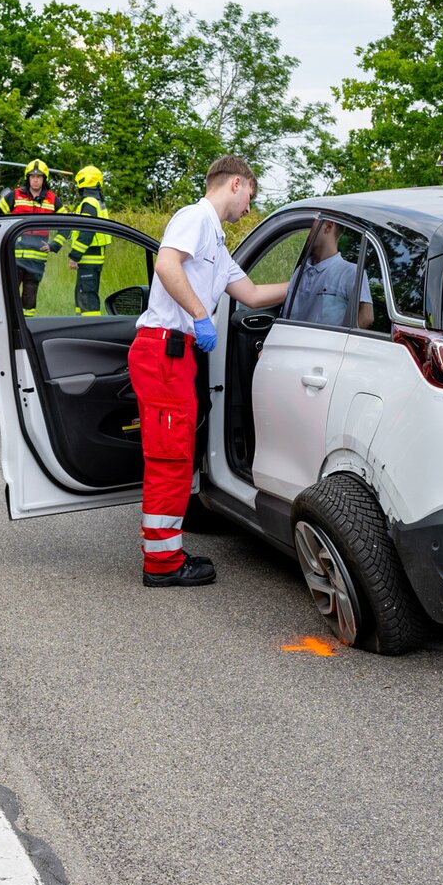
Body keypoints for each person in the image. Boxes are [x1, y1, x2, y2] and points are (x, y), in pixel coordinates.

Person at [130, 157, 295, 587]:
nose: (249, 208)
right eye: (250, 198)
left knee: (178, 455)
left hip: (178, 355)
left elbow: (254, 295)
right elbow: (166, 265)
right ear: (235, 183)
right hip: (163, 350)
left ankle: (166, 550)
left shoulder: (218, 246)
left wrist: (304, 281)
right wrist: (201, 315)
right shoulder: (196, 217)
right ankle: (162, 565)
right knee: (169, 458)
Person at [283, 219, 373, 329]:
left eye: (312, 222)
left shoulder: (352, 272)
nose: (305, 229)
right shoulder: (300, 270)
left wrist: (340, 343)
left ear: (328, 226)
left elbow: (367, 316)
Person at [3, 158, 59, 316]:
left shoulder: (53, 200)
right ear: (27, 178)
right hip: (14, 257)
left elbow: (66, 225)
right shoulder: (15, 195)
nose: (35, 180)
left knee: (30, 296)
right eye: (32, 176)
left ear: (44, 179)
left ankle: (27, 327)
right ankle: (5, 327)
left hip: (36, 260)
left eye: (39, 177)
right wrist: (5, 241)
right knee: (9, 294)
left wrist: (54, 245)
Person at [69, 165, 110, 315]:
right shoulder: (97, 201)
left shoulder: (89, 203)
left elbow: (87, 232)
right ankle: (80, 325)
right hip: (92, 258)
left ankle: (90, 329)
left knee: (87, 300)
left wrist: (74, 256)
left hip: (88, 258)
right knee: (83, 298)